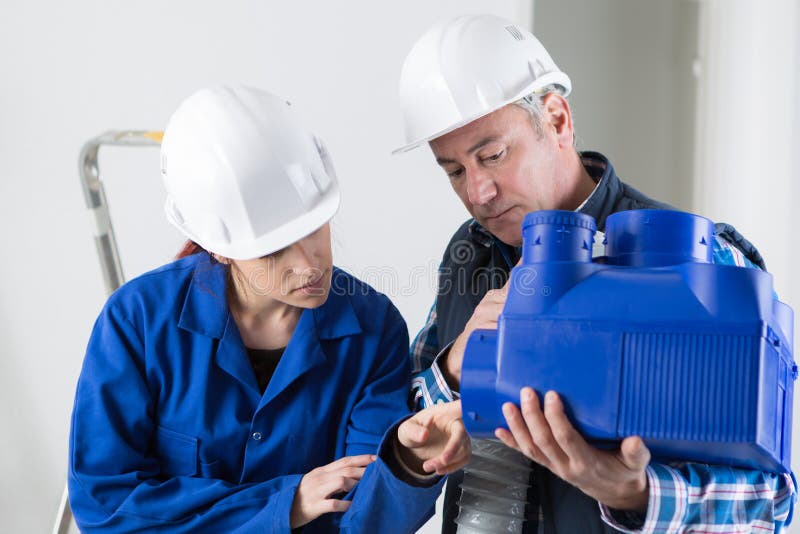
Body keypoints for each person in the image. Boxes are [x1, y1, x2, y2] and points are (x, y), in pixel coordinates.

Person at [394, 14, 796, 533]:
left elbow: (770, 505)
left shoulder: (697, 261)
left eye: (492, 155)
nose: (478, 193)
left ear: (557, 120)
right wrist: (450, 371)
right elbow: (404, 420)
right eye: (453, 171)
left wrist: (636, 492)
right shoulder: (469, 252)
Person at [68, 85, 468, 533]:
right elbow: (105, 509)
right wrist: (287, 503)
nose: (309, 264)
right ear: (220, 249)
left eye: (314, 228)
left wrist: (407, 462)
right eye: (274, 249)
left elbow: (364, 521)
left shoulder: (373, 329)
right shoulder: (137, 323)